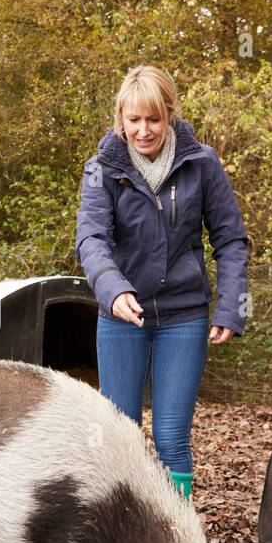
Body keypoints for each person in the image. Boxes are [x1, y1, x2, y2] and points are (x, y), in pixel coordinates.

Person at [75, 66, 250, 500]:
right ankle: (127, 534)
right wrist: (113, 289)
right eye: (133, 120)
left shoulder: (201, 164)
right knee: (122, 434)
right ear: (120, 117)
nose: (143, 130)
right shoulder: (101, 169)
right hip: (122, 317)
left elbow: (230, 239)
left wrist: (231, 305)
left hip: (183, 315)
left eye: (153, 119)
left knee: (172, 435)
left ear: (169, 114)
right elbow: (91, 238)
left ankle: (178, 536)